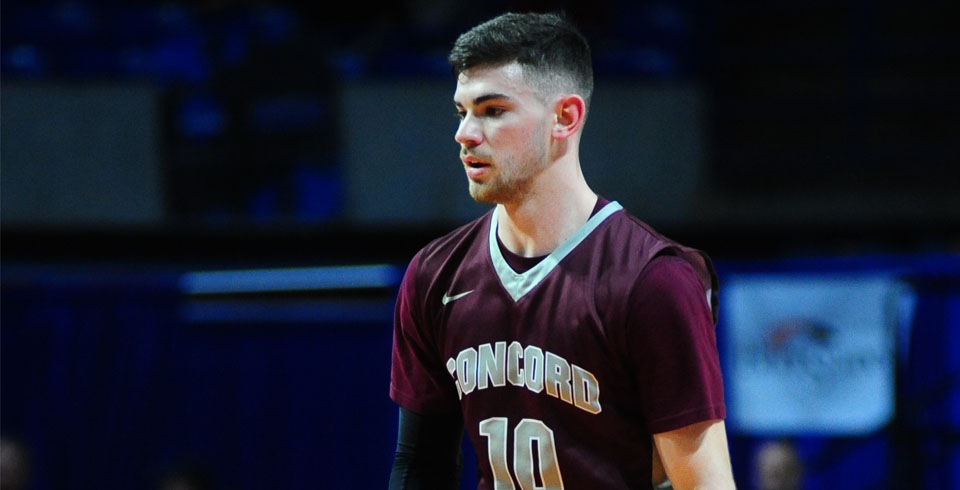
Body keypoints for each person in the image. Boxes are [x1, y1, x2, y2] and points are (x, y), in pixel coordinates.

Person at [388, 11, 734, 489]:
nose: (465, 133)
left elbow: (704, 483)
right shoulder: (434, 275)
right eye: (461, 111)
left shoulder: (654, 281)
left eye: (493, 110)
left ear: (565, 117)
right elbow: (419, 467)